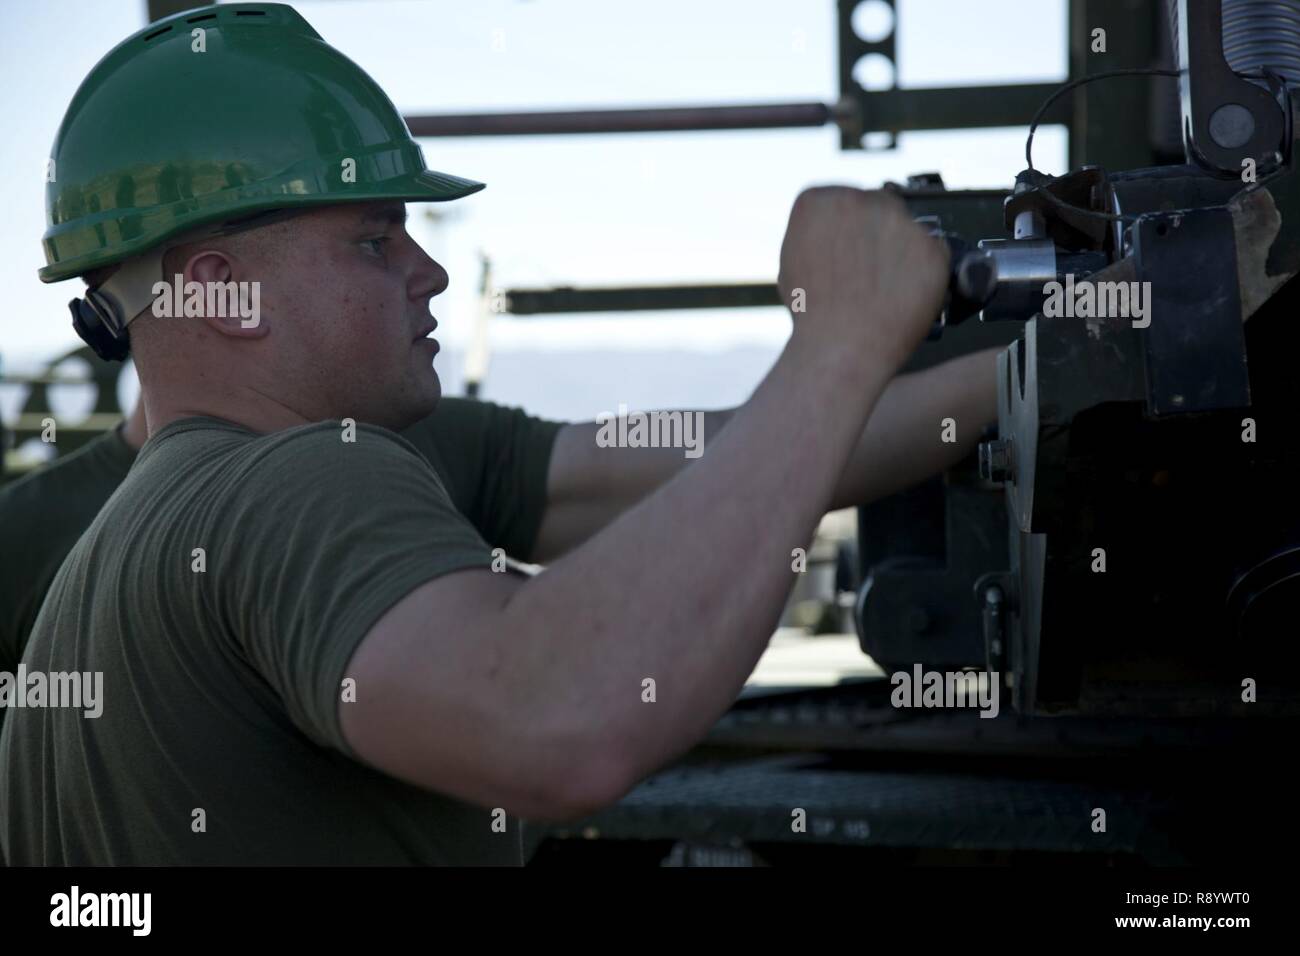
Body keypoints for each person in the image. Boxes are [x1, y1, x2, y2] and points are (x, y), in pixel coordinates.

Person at [0, 2, 995, 865]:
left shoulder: (114, 551)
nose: (427, 271)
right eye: (374, 239)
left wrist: (1006, 379)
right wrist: (836, 344)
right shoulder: (292, 486)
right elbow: (558, 722)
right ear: (224, 293)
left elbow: (718, 460)